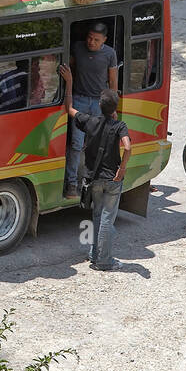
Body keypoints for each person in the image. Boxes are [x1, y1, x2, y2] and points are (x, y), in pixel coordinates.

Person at [58, 66, 131, 270]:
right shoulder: (120, 126)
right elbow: (127, 146)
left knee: (97, 217)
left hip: (93, 179)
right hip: (112, 181)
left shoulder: (90, 122)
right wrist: (122, 169)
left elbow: (69, 108)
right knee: (108, 219)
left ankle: (94, 254)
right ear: (115, 108)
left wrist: (70, 81)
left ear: (99, 106)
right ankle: (104, 261)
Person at [64, 22, 119, 197]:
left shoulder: (110, 53)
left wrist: (112, 107)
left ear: (104, 40)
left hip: (99, 104)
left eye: (96, 39)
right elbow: (71, 67)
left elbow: (113, 81)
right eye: (89, 37)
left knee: (98, 145)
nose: (91, 42)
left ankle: (94, 183)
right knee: (76, 145)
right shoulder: (78, 48)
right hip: (79, 100)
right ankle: (72, 184)